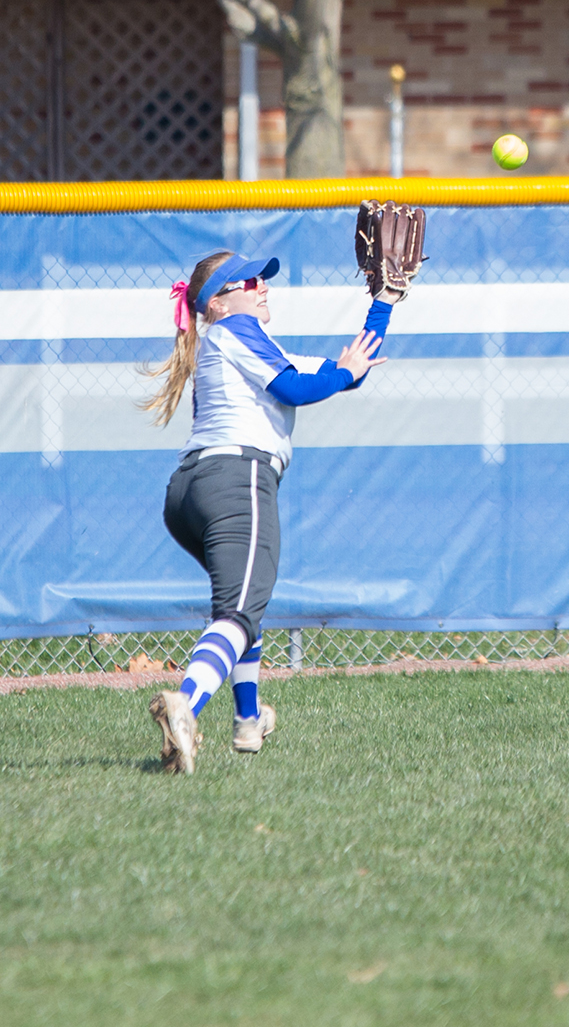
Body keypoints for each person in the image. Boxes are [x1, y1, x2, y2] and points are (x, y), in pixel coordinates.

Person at [138, 249, 395, 774]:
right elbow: (297, 389)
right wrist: (343, 373)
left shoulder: (245, 343)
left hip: (190, 491)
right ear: (222, 301)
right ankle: (185, 704)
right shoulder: (236, 333)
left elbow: (342, 371)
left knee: (242, 608)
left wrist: (382, 304)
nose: (263, 287)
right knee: (237, 613)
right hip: (237, 481)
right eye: (251, 281)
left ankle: (248, 722)